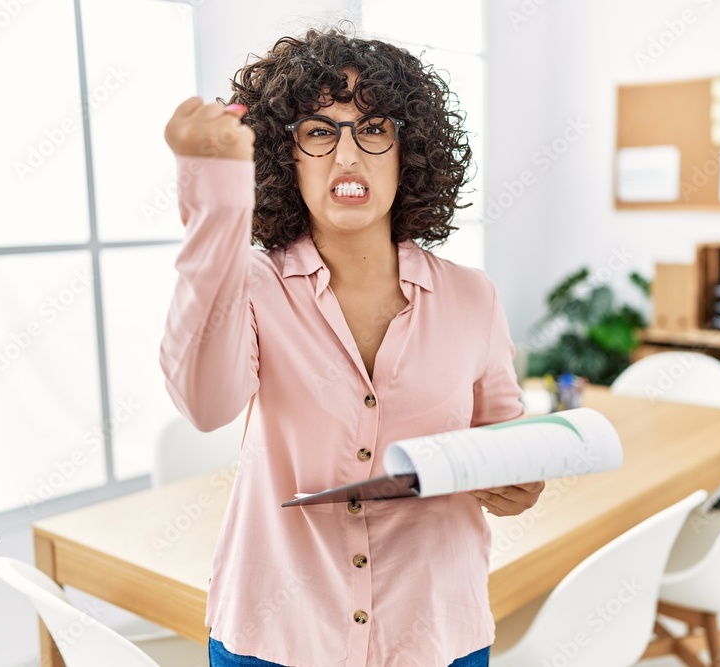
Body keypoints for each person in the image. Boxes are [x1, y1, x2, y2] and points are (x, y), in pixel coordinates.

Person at [160, 25, 544, 667]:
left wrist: (519, 483)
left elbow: (503, 439)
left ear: (408, 149)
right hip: (275, 635)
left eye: (373, 129)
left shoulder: (473, 298)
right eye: (319, 131)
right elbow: (204, 404)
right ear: (288, 158)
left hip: (434, 635)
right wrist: (216, 205)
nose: (348, 157)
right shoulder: (252, 286)